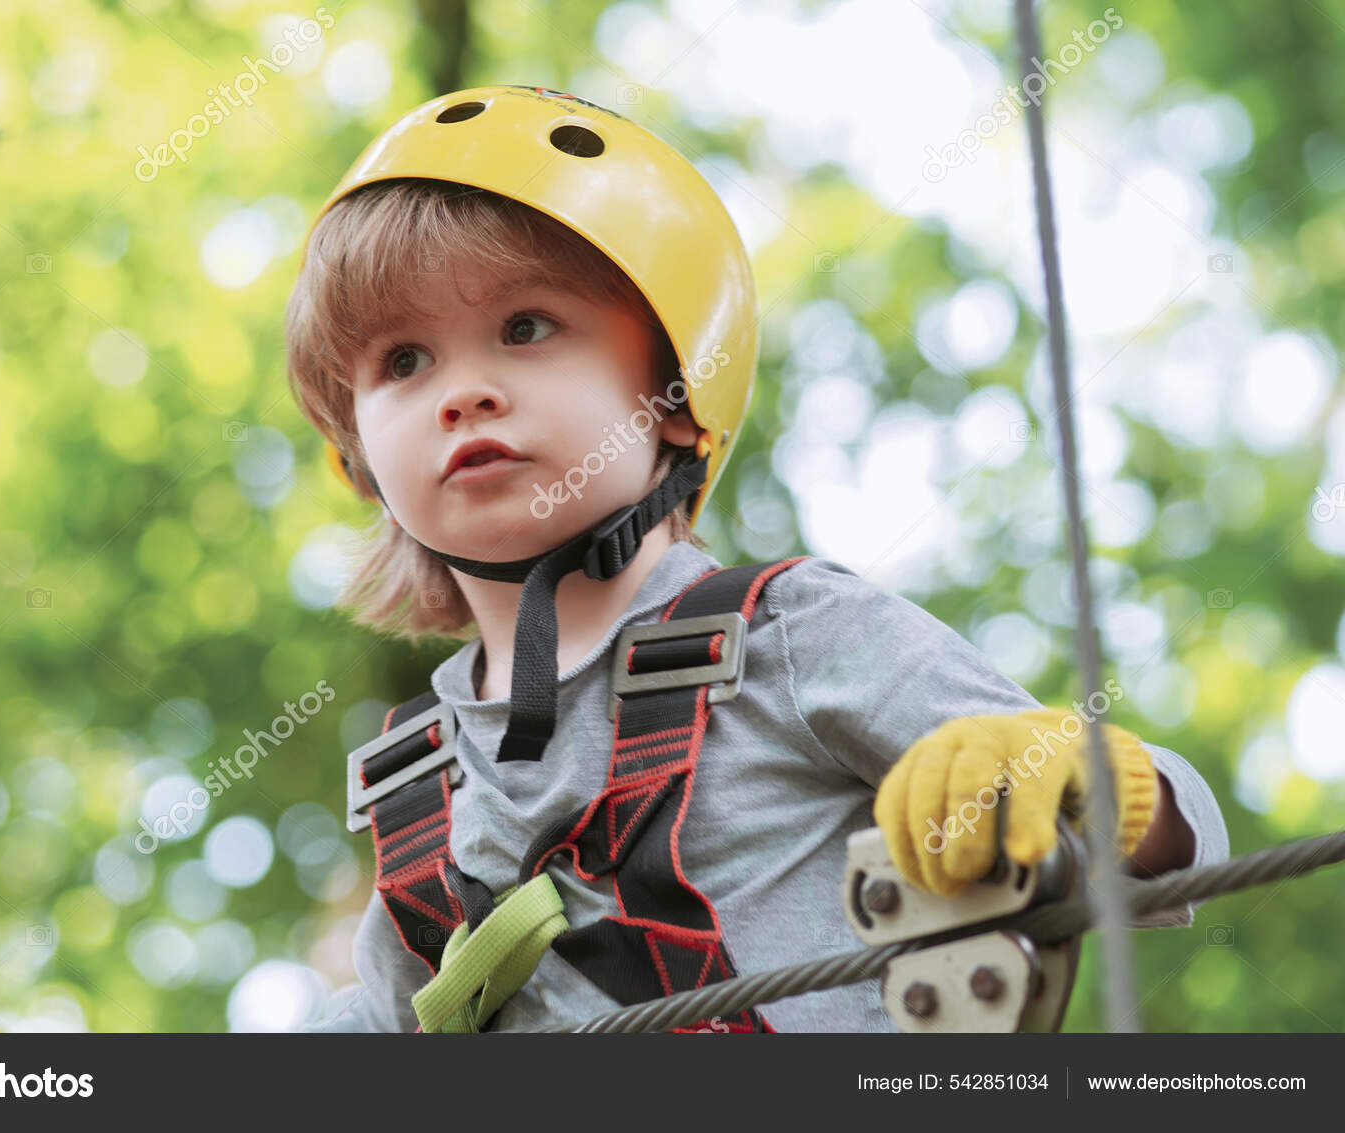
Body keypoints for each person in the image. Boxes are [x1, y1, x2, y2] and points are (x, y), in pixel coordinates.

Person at [282, 85, 1229, 1032]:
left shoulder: (789, 634)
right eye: (403, 361)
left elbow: (1180, 847)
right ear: (357, 452)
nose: (464, 394)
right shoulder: (416, 784)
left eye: (526, 328)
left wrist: (1082, 775)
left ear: (679, 391)